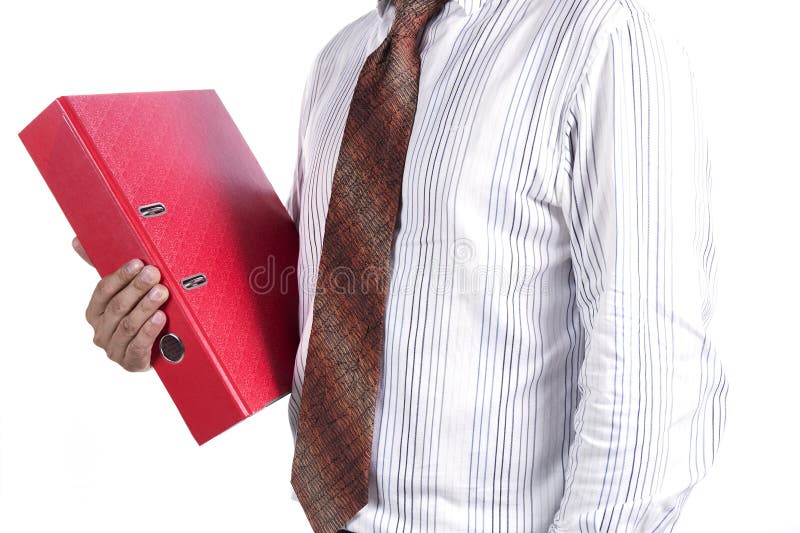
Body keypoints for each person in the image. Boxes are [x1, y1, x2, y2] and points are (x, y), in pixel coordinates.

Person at [73, 0, 729, 531]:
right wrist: (165, 325)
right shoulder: (340, 62)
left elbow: (657, 378)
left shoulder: (605, 39)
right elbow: (318, 309)